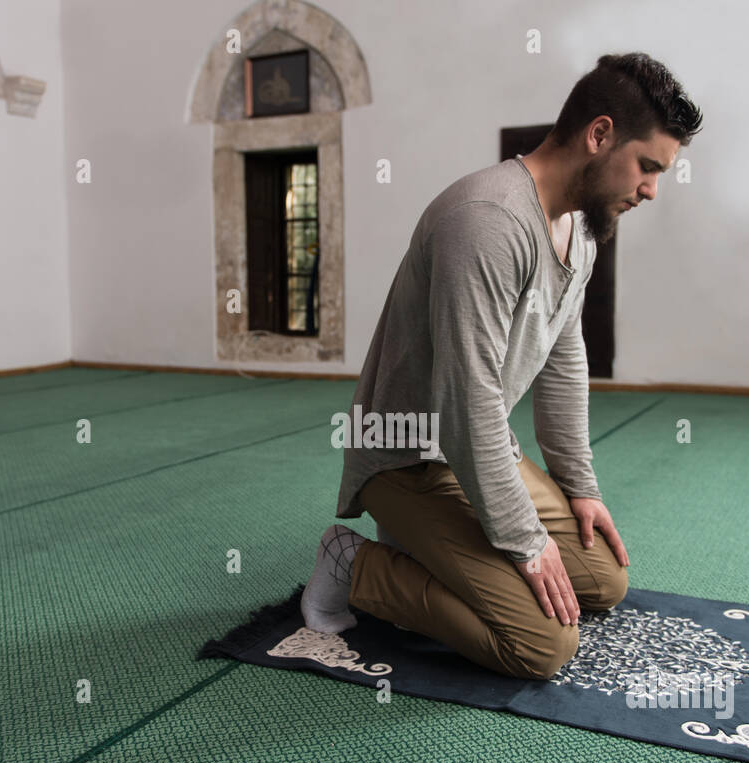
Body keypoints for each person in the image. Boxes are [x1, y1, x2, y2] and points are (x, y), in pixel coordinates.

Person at [301, 52, 703, 680]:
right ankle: (353, 563)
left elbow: (565, 363)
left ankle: (429, 548)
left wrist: (581, 489)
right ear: (599, 135)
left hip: (473, 447)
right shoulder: (487, 220)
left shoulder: (583, 228)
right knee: (543, 645)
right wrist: (524, 542)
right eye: (647, 166)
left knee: (602, 580)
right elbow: (467, 401)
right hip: (407, 456)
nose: (650, 189)